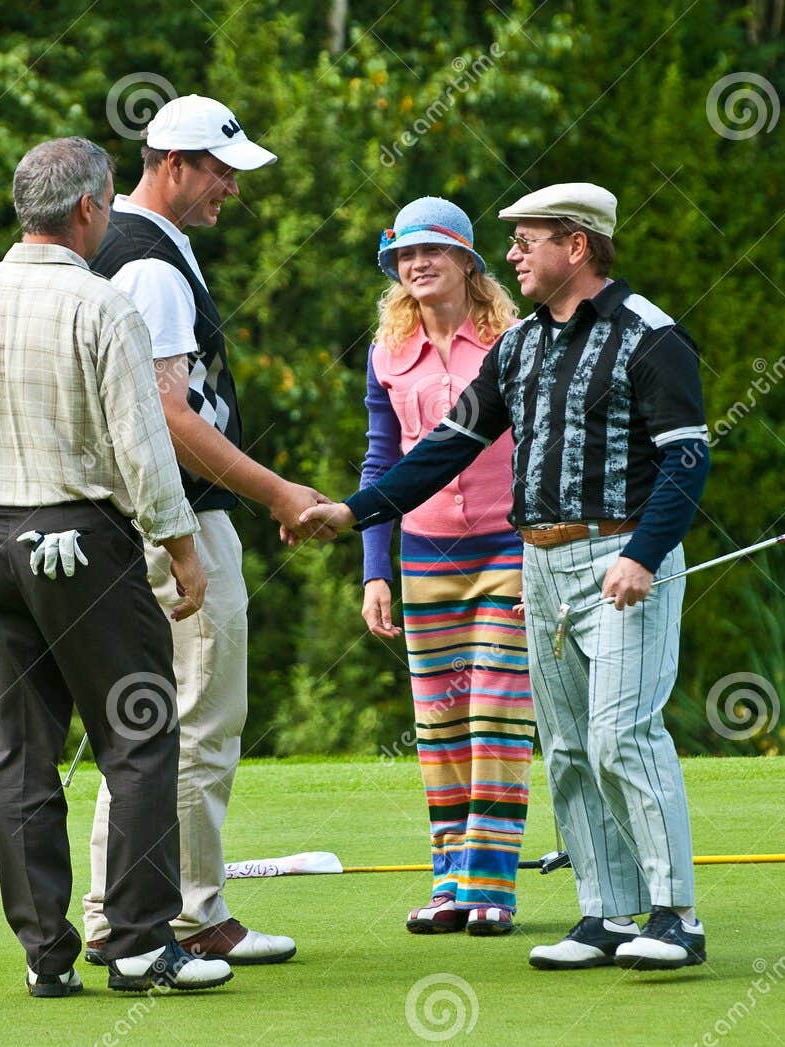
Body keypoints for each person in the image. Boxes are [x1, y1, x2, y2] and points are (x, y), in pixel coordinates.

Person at [301, 182, 712, 971]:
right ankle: (606, 913)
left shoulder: (649, 337)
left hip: (623, 557)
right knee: (562, 746)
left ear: (578, 246)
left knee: (621, 734)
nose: (514, 255)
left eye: (528, 240)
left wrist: (644, 554)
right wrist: (356, 514)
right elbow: (446, 447)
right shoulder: (521, 346)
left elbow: (687, 460)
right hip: (541, 561)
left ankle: (676, 917)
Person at [0, 136, 232, 996]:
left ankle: (48, 955)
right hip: (80, 539)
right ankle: (143, 943)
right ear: (88, 210)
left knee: (18, 753)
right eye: (108, 205)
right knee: (140, 732)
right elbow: (143, 444)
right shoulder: (101, 304)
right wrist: (181, 544)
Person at [80, 94, 311, 968]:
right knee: (196, 717)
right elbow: (171, 418)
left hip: (135, 517)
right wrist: (280, 492)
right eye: (220, 171)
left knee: (147, 719)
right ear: (170, 162)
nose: (230, 190)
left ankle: (130, 911)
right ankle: (178, 913)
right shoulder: (149, 265)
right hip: (174, 519)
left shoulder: (120, 244)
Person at [360, 197, 534, 937]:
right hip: (424, 556)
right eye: (404, 255)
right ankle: (449, 883)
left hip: (509, 548)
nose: (417, 264)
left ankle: (492, 885)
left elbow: (541, 449)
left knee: (496, 714)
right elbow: (381, 458)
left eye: (432, 250)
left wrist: (543, 553)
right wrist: (375, 570)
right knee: (439, 725)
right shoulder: (387, 351)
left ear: (468, 261)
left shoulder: (516, 341)